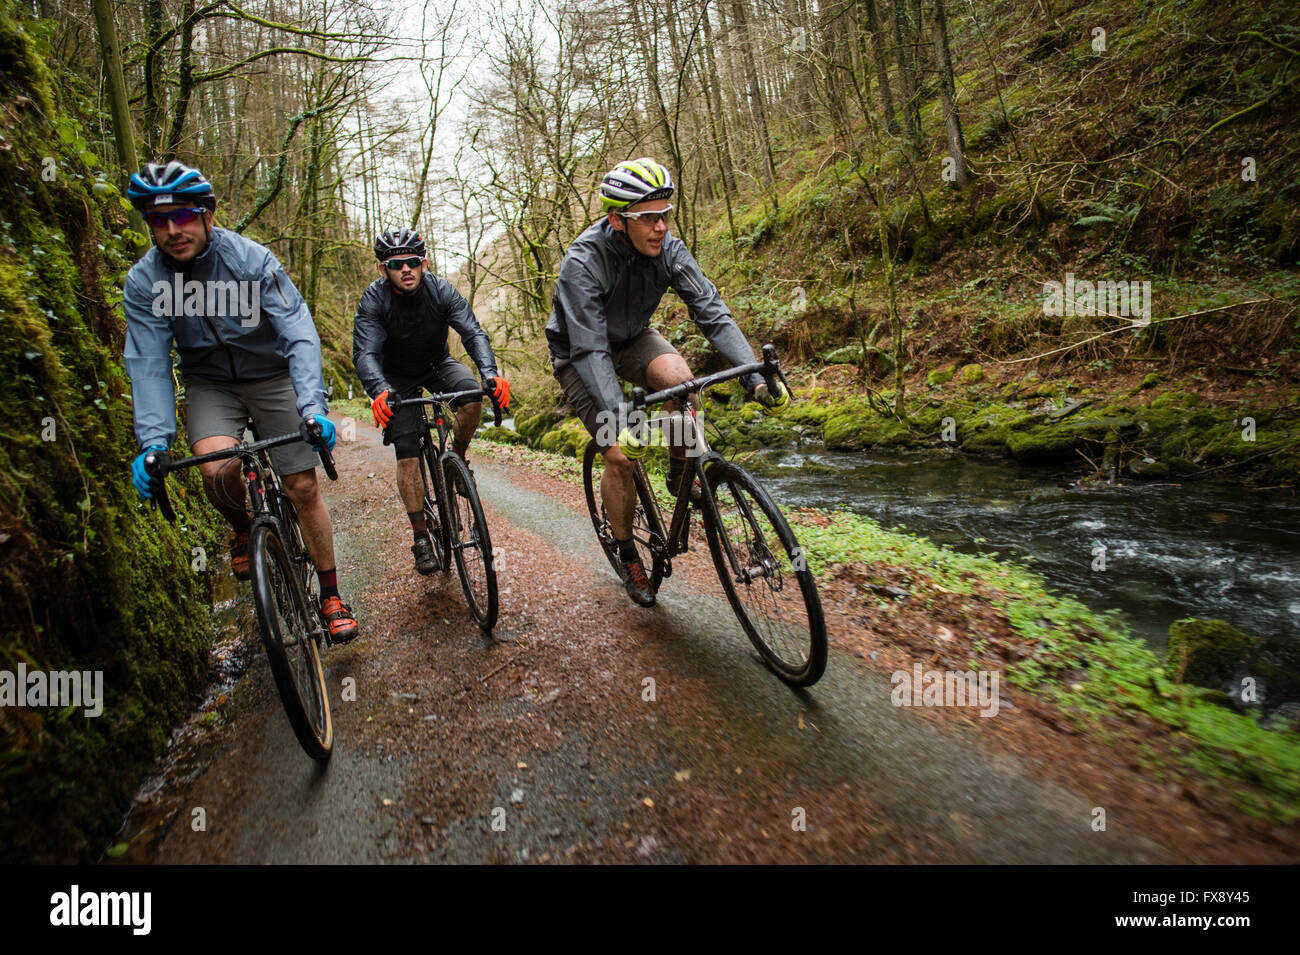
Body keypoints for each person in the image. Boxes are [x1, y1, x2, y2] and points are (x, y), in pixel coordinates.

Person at [123, 160, 359, 643]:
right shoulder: (145, 282)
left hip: (272, 374)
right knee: (217, 470)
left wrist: (312, 406)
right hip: (210, 382)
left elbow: (297, 331)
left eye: (183, 215)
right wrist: (153, 440)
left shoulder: (250, 261)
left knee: (302, 485)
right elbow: (148, 363)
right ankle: (240, 525)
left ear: (207, 215)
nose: (172, 230)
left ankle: (331, 593)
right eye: (158, 220)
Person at [546, 158, 787, 608]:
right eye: (648, 218)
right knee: (618, 455)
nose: (661, 227)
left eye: (665, 215)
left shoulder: (670, 251)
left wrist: (755, 377)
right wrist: (620, 420)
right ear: (617, 220)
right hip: (580, 352)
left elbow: (711, 312)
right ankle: (627, 552)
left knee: (681, 381)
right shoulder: (583, 262)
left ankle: (680, 475)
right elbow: (591, 350)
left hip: (633, 336)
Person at [352, 228, 510, 575]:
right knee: (407, 455)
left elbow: (472, 332)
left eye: (413, 262)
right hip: (395, 379)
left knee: (470, 397)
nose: (406, 269)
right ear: (383, 270)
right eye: (396, 264)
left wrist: (490, 373)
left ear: (424, 263)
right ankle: (420, 536)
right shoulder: (374, 301)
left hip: (437, 363)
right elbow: (365, 352)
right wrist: (379, 389)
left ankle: (458, 458)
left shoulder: (441, 291)